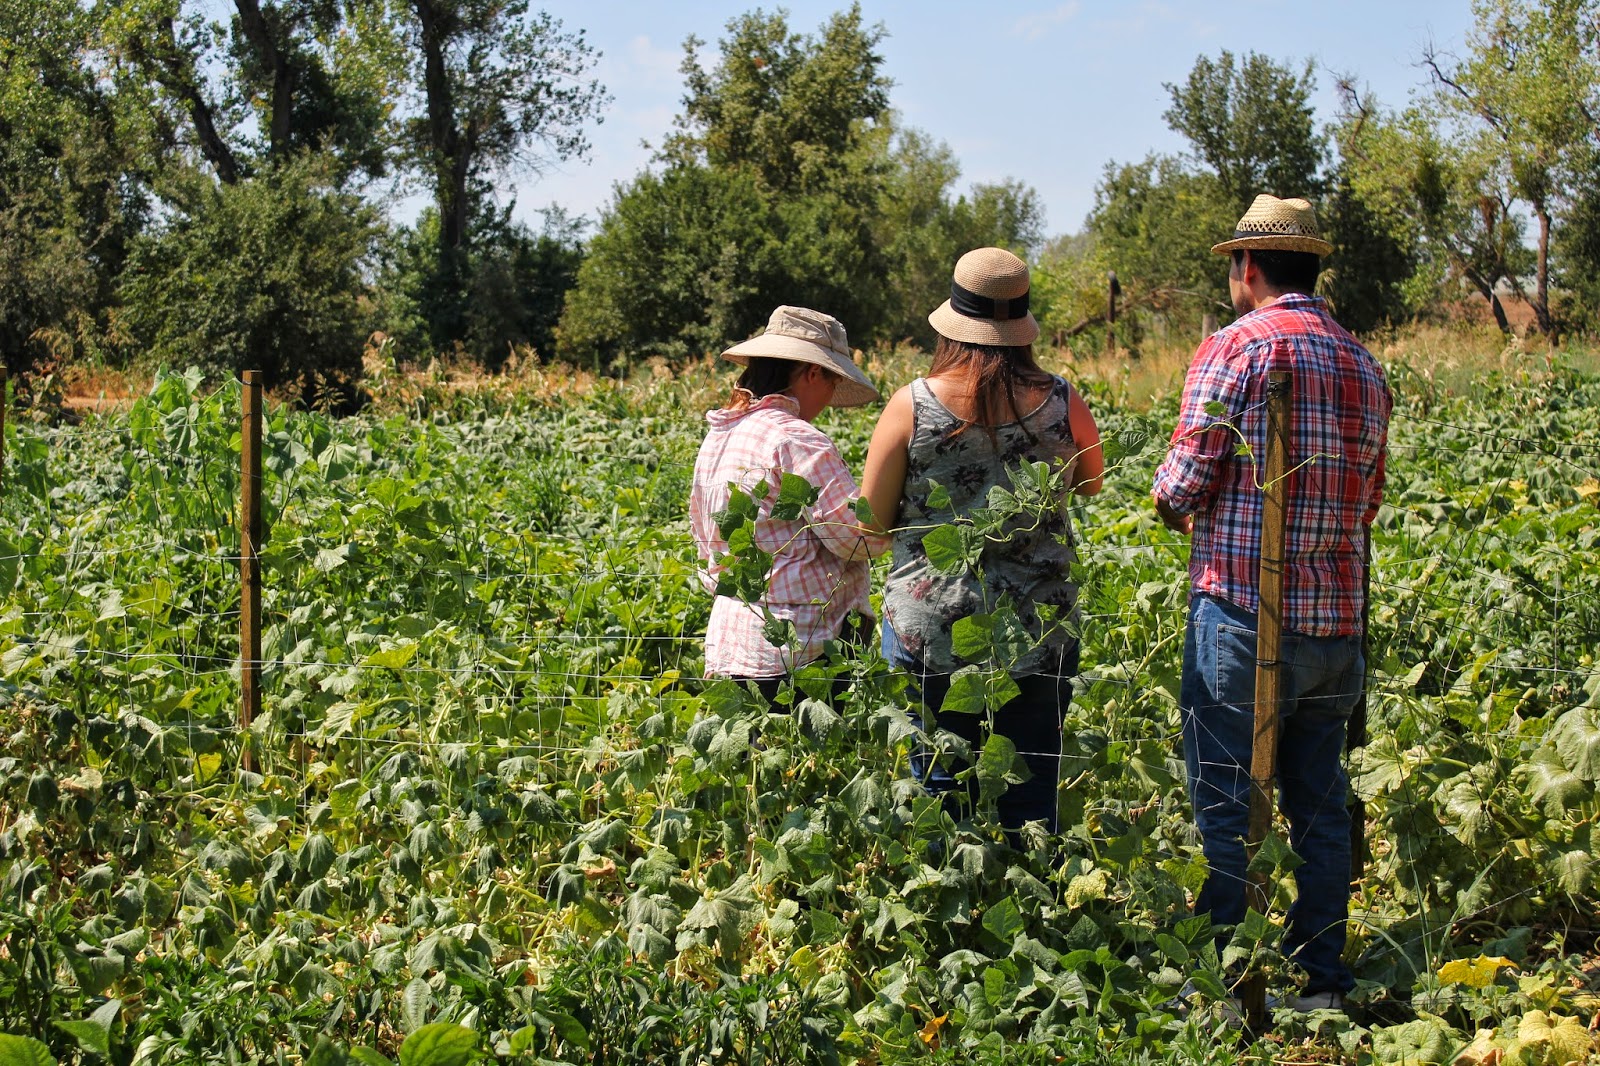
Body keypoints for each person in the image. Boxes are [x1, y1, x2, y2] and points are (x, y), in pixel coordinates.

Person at [1152, 195, 1391, 1010]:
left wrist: (1166, 500)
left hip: (1247, 620)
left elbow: (1184, 483)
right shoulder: (1363, 362)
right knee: (1320, 804)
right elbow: (1371, 499)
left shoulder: (1236, 348)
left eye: (1232, 266)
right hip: (1337, 624)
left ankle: (1230, 982)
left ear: (1247, 268)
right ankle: (1322, 979)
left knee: (1228, 805)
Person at [860, 247, 1104, 833]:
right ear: (1021, 326)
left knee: (939, 789)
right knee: (1029, 793)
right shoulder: (1062, 401)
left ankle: (950, 910)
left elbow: (870, 524)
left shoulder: (911, 404)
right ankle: (1031, 911)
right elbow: (1093, 482)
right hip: (1037, 628)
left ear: (953, 323)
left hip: (932, 630)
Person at [691, 305, 887, 702]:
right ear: (813, 373)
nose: (830, 399)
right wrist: (893, 514)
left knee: (752, 762)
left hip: (734, 637)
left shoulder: (720, 436)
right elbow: (855, 539)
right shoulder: (797, 438)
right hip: (802, 645)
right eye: (832, 383)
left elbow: (702, 532)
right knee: (810, 758)